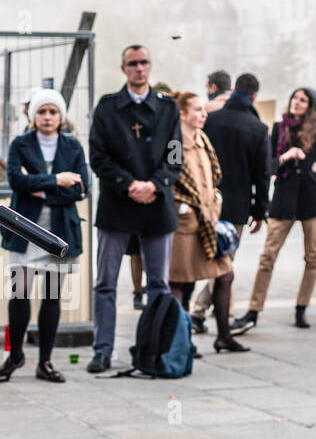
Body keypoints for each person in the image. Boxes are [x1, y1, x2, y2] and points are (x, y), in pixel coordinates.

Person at [86, 44, 181, 372]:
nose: (139, 68)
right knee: (106, 283)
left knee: (159, 284)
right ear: (123, 68)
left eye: (144, 63)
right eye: (133, 63)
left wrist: (153, 184)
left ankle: (153, 349)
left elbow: (174, 156)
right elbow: (98, 156)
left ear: (150, 67)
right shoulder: (108, 107)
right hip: (117, 204)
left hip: (156, 203)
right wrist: (129, 185)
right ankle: (103, 350)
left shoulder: (168, 108)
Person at [236, 87, 316, 331]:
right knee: (267, 257)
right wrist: (286, 156)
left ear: (311, 106)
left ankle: (302, 308)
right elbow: (266, 166)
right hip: (283, 199)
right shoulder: (279, 128)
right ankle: (253, 310)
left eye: (303, 100)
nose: (297, 103)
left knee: (312, 257)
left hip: (312, 200)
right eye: (294, 98)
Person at [0, 89, 89, 383]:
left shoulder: (73, 147)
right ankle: (15, 355)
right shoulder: (21, 143)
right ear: (33, 116)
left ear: (61, 117)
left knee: (51, 296)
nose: (48, 117)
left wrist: (40, 188)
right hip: (26, 231)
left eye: (53, 112)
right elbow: (15, 181)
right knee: (20, 294)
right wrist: (57, 180)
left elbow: (81, 189)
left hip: (59, 233)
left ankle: (45, 361)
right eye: (42, 112)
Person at [195, 72, 270, 333]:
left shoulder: (210, 120)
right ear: (255, 96)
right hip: (236, 206)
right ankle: (199, 313)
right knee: (225, 260)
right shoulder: (258, 128)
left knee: (200, 258)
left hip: (204, 200)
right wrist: (260, 210)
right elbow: (263, 175)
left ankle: (199, 312)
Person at [169, 92, 243, 352]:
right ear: (182, 114)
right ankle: (181, 343)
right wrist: (183, 205)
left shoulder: (202, 138)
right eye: (198, 109)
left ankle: (224, 335)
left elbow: (215, 172)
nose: (204, 114)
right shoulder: (174, 143)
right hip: (186, 225)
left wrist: (216, 196)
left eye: (203, 109)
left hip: (208, 220)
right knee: (179, 282)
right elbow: (170, 180)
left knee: (225, 274)